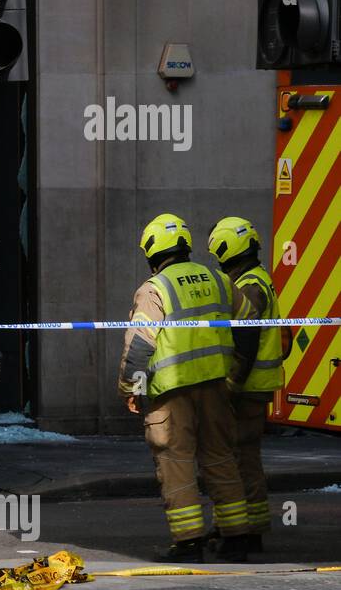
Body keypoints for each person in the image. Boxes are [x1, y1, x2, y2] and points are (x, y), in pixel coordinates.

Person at [118, 213, 251, 562]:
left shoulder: (154, 289)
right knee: (221, 457)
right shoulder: (219, 279)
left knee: (175, 462)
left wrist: (131, 387)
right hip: (216, 388)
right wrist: (236, 373)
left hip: (171, 393)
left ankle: (189, 542)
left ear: (152, 252)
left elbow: (139, 347)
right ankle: (237, 538)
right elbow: (252, 321)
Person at [208, 217, 284, 552]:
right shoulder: (259, 279)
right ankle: (247, 529)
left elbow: (246, 341)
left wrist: (230, 384)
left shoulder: (248, 286)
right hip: (258, 386)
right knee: (245, 458)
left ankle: (242, 534)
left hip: (246, 389)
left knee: (238, 460)